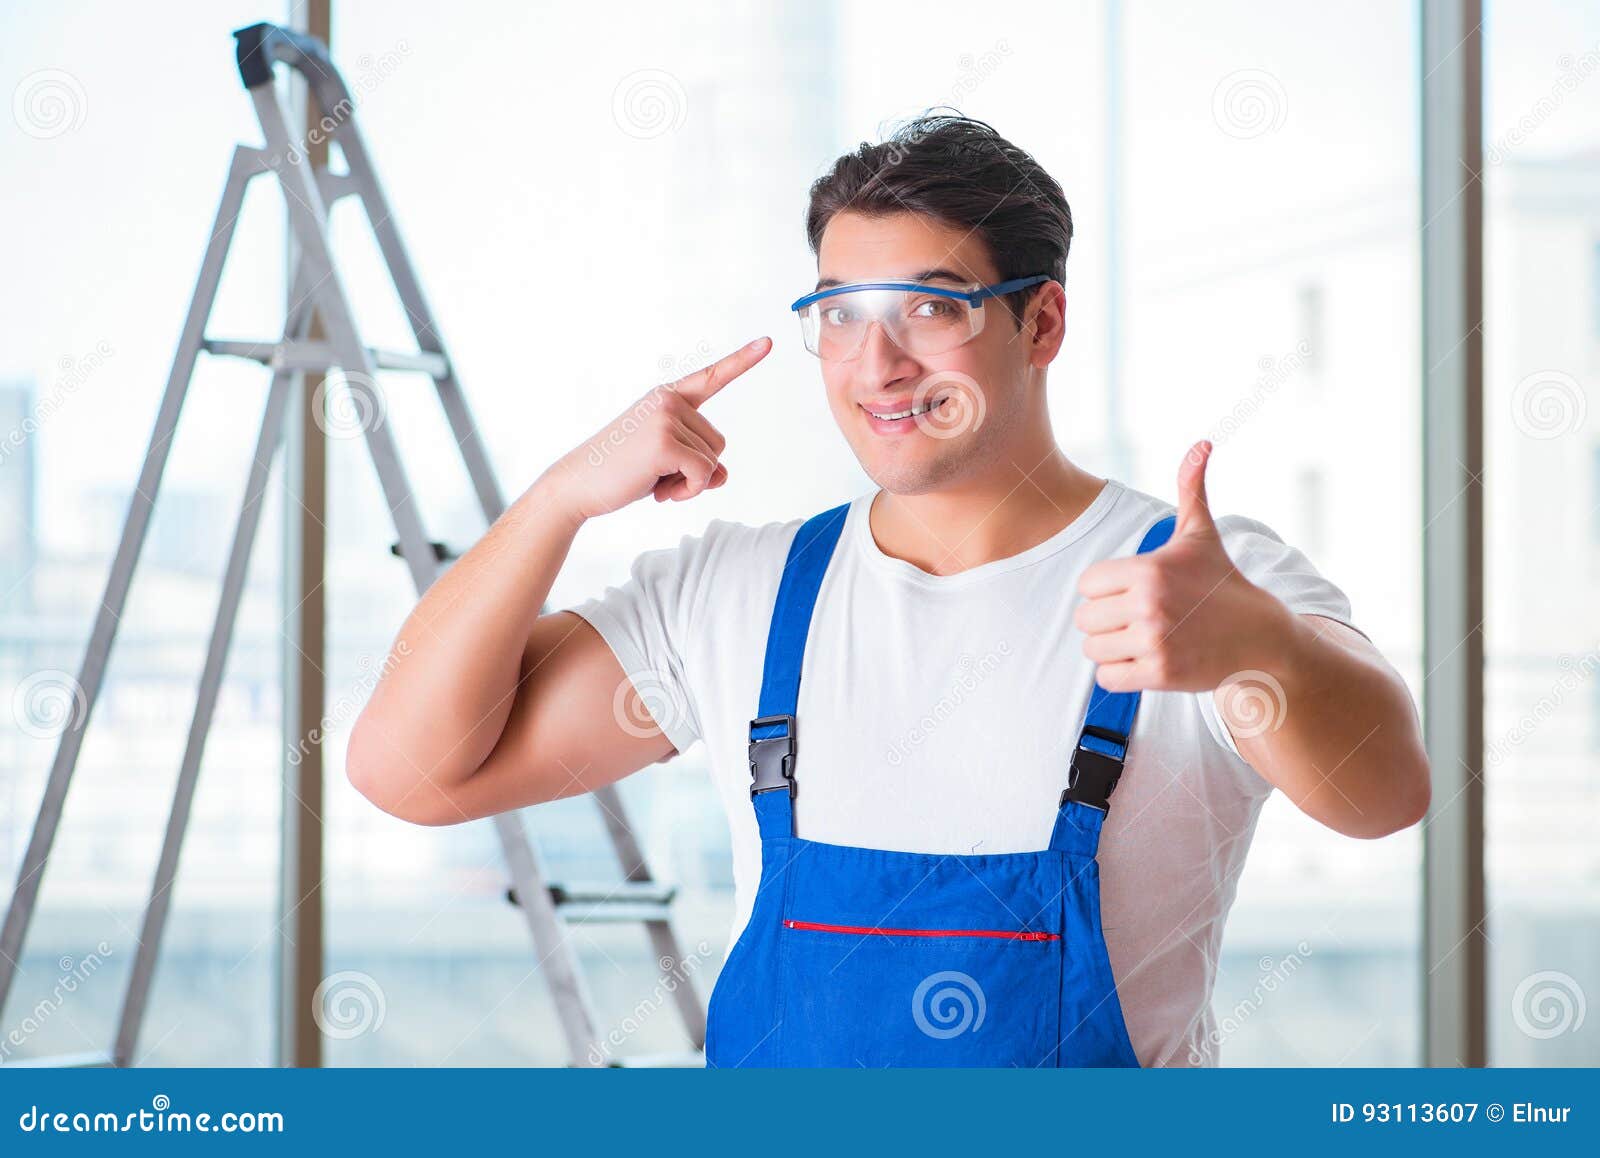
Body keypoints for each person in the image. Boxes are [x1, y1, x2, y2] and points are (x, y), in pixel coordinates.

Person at [346, 113, 1430, 1067]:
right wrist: (558, 500)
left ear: (1040, 323)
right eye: (841, 312)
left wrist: (1259, 651)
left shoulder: (1194, 580)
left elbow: (1385, 795)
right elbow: (410, 773)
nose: (876, 366)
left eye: (929, 308)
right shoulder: (743, 592)